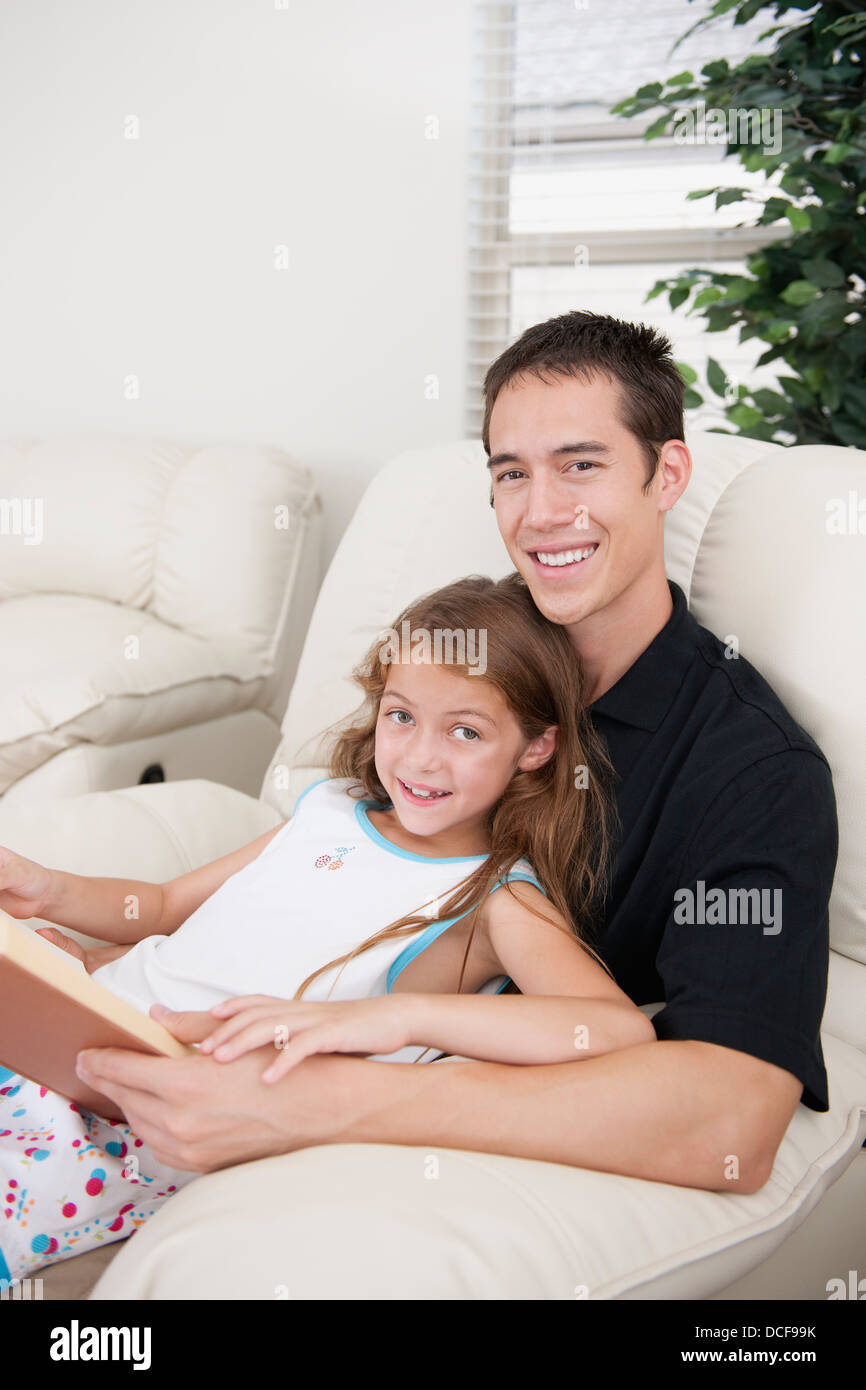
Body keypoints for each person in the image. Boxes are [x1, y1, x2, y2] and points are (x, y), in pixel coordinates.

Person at [72, 310, 836, 1215]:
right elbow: (326, 862)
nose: (540, 513)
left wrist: (324, 1101)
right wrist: (95, 956)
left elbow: (731, 1122)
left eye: (581, 465)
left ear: (666, 474)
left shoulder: (751, 770)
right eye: (511, 473)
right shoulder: (467, 647)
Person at [0, 572, 656, 1280]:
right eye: (401, 716)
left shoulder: (494, 899)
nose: (420, 757)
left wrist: (399, 1018)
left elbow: (613, 1029)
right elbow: (161, 906)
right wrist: (47, 890)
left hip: (145, 1117)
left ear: (535, 748)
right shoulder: (330, 809)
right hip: (72, 1036)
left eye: (465, 731)